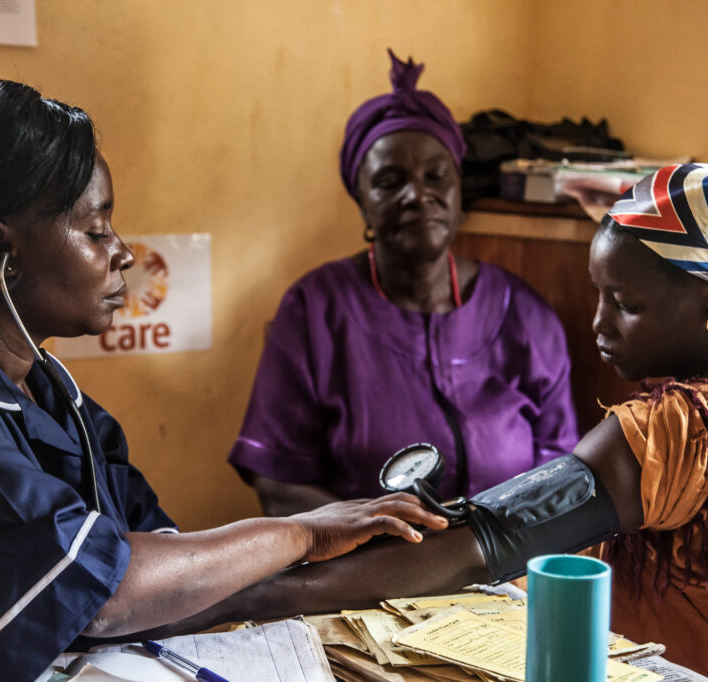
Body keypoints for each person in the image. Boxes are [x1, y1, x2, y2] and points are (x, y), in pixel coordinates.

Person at [0, 78, 450, 682]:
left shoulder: (45, 391)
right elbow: (109, 589)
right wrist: (300, 534)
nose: (122, 252)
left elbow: (163, 556)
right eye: (95, 231)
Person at [200, 164, 708, 682]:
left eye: (624, 304)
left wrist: (235, 600)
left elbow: (471, 548)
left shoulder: (678, 428)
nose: (598, 324)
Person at [228, 50, 580, 515]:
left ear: (458, 190)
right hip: (368, 573)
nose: (419, 195)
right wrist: (381, 540)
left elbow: (563, 475)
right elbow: (278, 486)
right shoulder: (315, 310)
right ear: (363, 205)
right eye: (390, 181)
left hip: (507, 572)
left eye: (437, 176)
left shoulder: (525, 314)